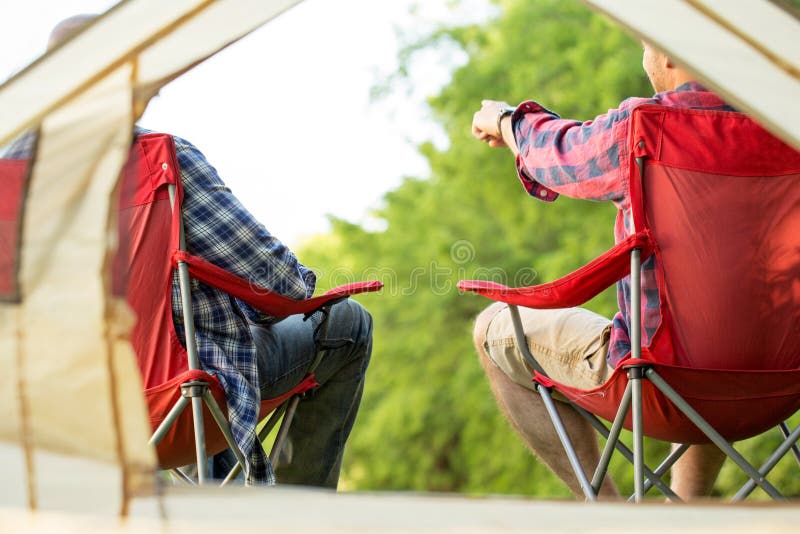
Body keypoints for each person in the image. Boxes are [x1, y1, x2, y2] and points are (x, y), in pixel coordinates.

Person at [3, 15, 373, 488]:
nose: (154, 91)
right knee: (348, 325)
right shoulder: (159, 162)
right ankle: (298, 514)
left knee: (194, 336)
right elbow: (282, 284)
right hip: (162, 408)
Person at [469, 42, 734, 500]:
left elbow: (560, 154)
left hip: (661, 380)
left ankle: (610, 516)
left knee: (493, 331)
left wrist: (506, 119)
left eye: (646, 47)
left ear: (669, 54)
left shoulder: (647, 127)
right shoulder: (786, 127)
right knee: (723, 323)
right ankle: (689, 512)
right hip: (778, 380)